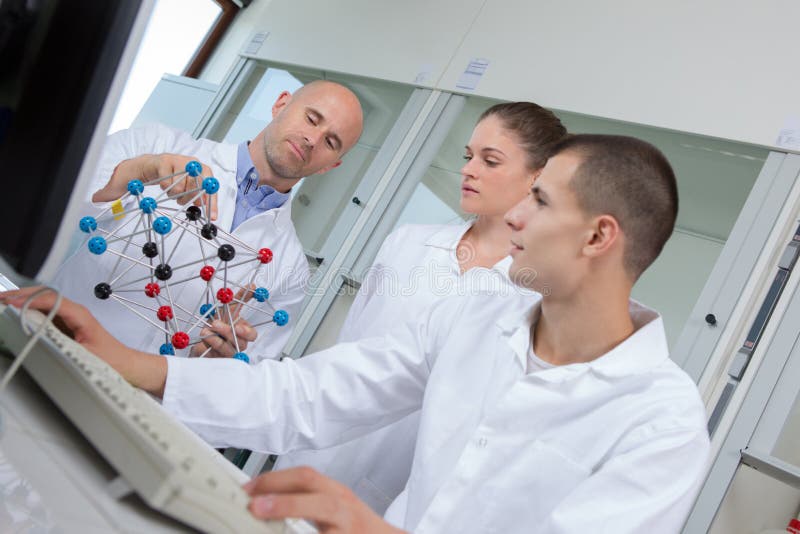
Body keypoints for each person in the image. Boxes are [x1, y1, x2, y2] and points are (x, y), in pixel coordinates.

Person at [3, 134, 710, 532]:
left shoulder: (661, 422)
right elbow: (312, 392)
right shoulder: (478, 317)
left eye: (540, 201)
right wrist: (132, 363)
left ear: (598, 236)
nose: (515, 220)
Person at [273, 102, 567, 513]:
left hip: (394, 501)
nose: (468, 169)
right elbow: (349, 350)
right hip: (311, 457)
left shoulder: (534, 299)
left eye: (490, 160)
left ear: (539, 177)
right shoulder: (407, 242)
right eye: (468, 156)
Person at [51, 80, 363, 361]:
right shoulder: (156, 145)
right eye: (312, 118)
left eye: (331, 142)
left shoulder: (291, 267)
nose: (313, 139)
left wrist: (217, 360)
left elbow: (249, 367)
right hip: (51, 336)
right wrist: (140, 171)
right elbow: (61, 201)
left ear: (330, 166)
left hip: (133, 400)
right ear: (281, 104)